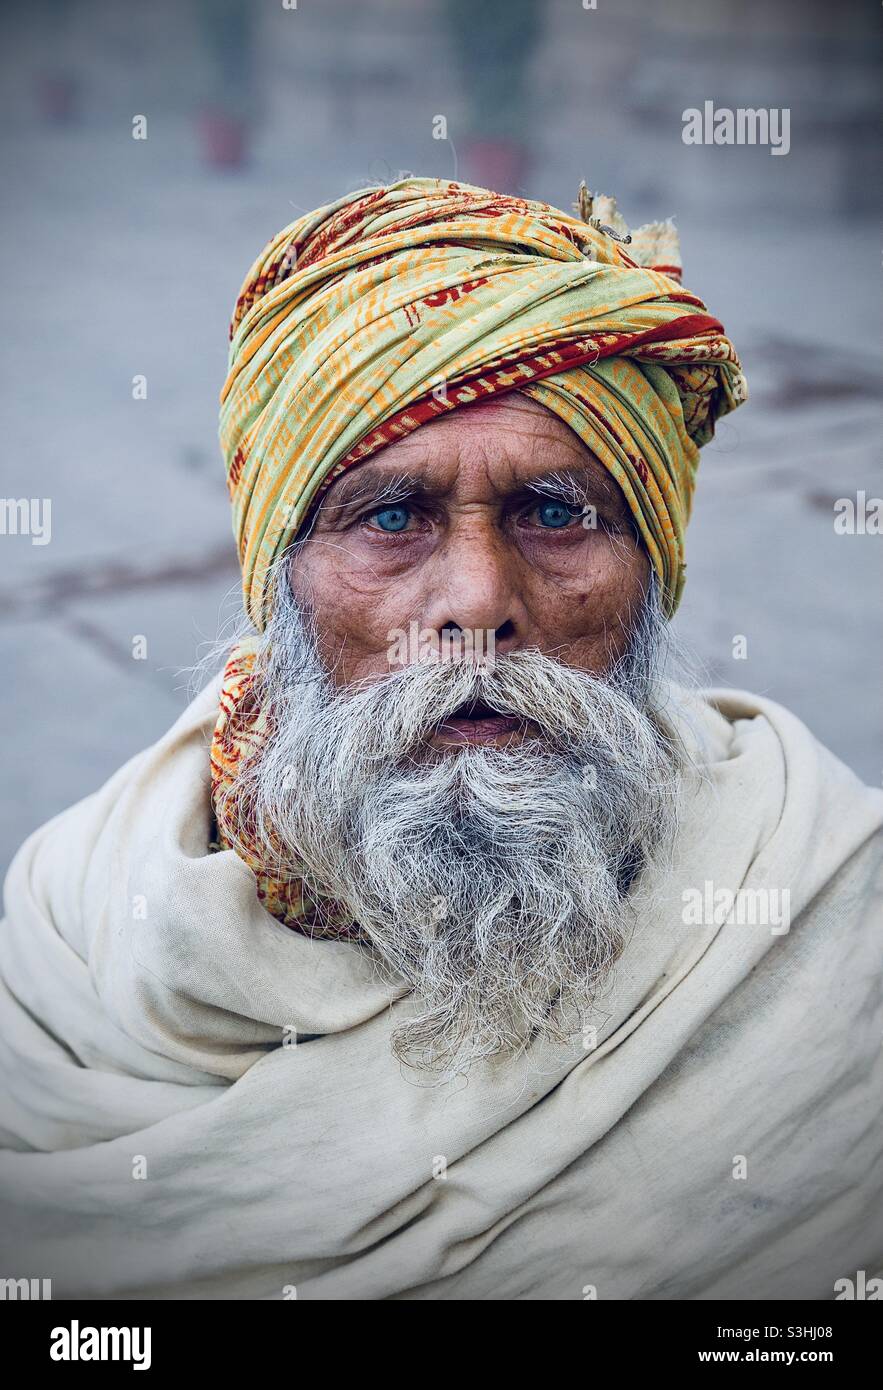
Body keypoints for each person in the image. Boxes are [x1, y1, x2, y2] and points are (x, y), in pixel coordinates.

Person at [1, 177, 880, 1301]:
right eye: (390, 516)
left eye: (557, 513)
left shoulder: (822, 903)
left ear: (650, 572)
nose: (476, 599)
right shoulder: (72, 945)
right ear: (284, 583)